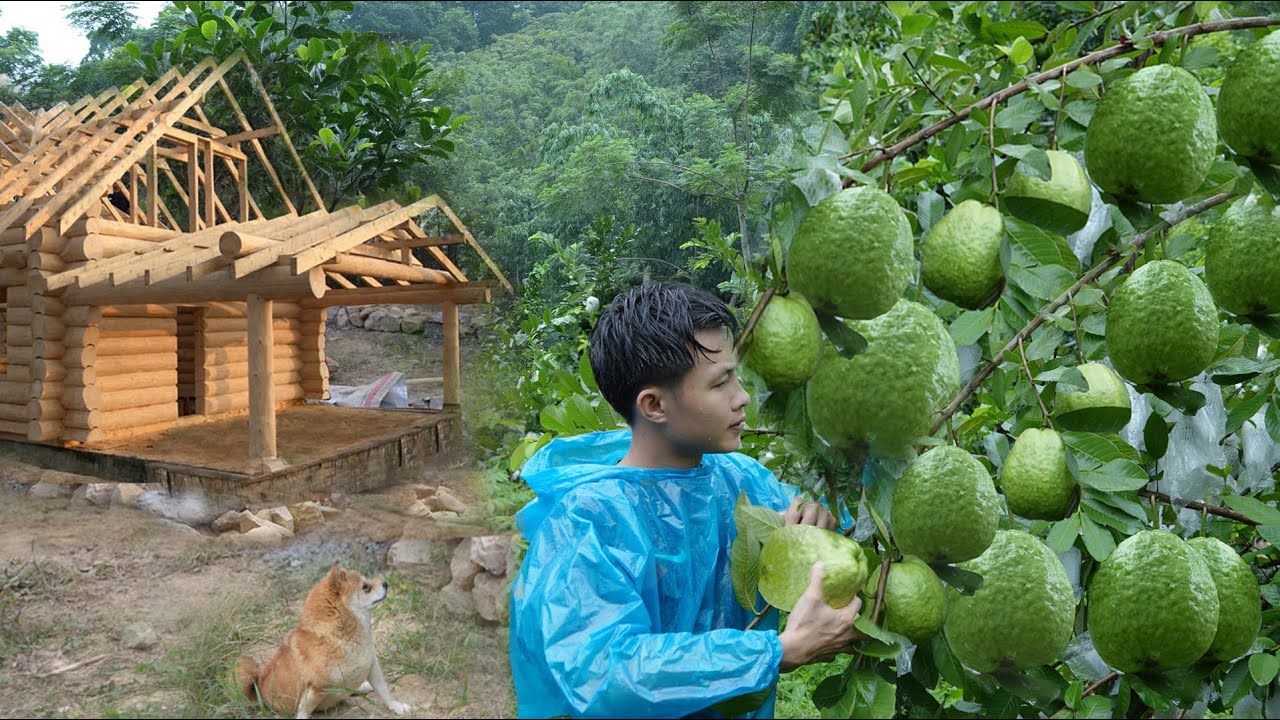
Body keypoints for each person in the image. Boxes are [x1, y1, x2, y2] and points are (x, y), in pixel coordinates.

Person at [508, 282, 864, 718]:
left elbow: (831, 522)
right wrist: (775, 652)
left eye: (735, 376)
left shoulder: (741, 481)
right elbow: (605, 673)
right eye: (721, 383)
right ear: (654, 405)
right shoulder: (588, 521)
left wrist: (814, 522)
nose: (742, 397)